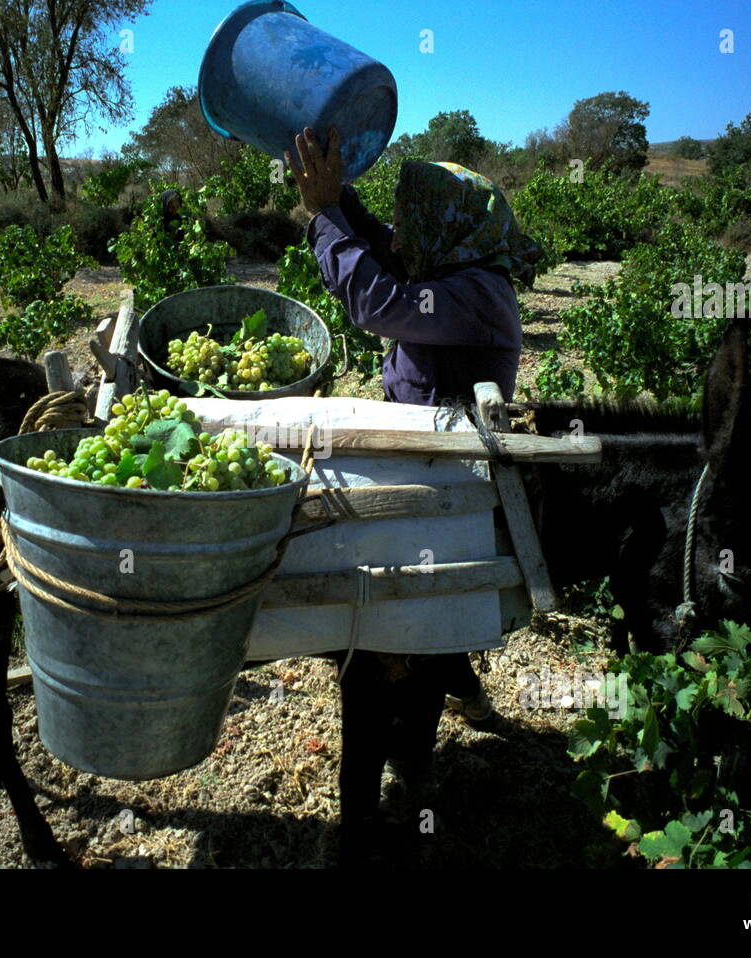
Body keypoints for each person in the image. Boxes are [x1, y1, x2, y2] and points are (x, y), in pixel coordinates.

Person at [286, 126, 543, 741]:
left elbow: (377, 301)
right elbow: (381, 244)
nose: (400, 236)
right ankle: (462, 691)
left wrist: (322, 214)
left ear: (445, 227)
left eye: (412, 223)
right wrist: (337, 196)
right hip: (420, 449)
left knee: (413, 609)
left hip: (447, 477)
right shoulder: (454, 259)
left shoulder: (479, 293)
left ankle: (412, 738)